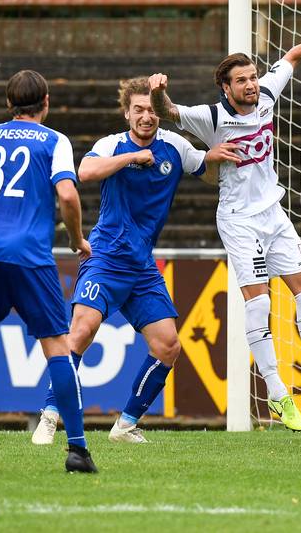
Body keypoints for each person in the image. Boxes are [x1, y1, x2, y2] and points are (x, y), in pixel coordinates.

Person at [150, 37, 301, 431]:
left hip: (273, 213)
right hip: (239, 219)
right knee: (259, 304)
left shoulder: (267, 98)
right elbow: (168, 111)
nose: (251, 85)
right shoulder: (210, 117)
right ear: (225, 88)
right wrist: (158, 92)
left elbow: (291, 55)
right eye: (241, 80)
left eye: (253, 77)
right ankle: (277, 394)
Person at [32, 76, 217, 445]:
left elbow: (205, 170)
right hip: (105, 256)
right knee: (81, 332)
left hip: (142, 266)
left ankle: (126, 424)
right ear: (127, 112)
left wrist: (223, 155)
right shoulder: (112, 145)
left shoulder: (175, 146)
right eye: (139, 110)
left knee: (168, 346)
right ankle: (51, 416)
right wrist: (132, 158)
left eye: (152, 110)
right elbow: (84, 173)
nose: (146, 116)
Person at [0, 70, 94, 472]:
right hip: (29, 255)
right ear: (45, 102)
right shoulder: (54, 140)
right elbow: (67, 193)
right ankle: (77, 450)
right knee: (56, 348)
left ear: (8, 104)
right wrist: (77, 239)